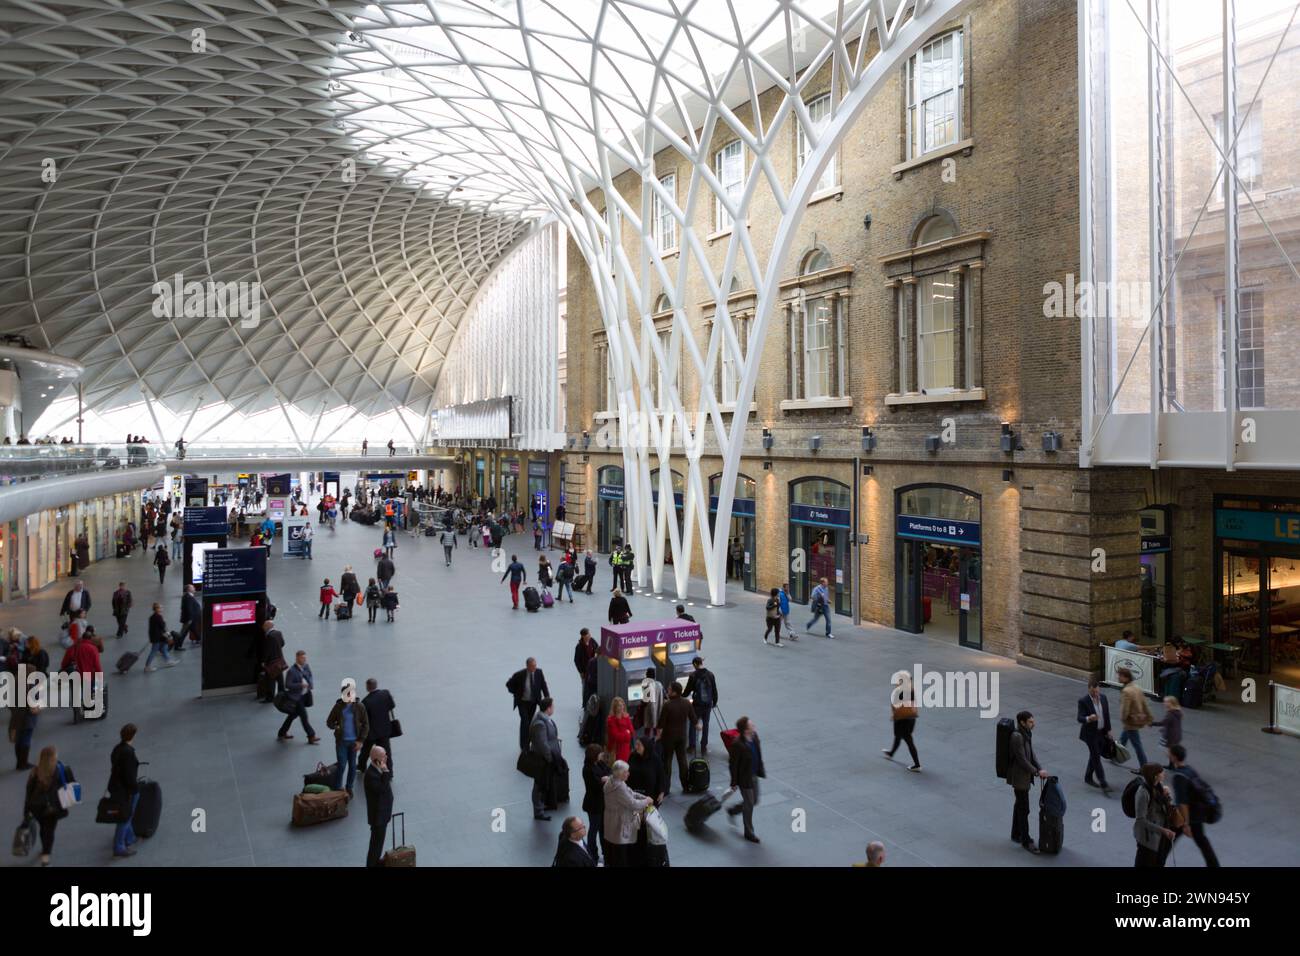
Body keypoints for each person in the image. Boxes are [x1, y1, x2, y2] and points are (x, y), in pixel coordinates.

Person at [1169, 744, 1220, 867]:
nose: (1168, 755)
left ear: (1174, 757)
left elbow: (1183, 802)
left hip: (1187, 815)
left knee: (1168, 839)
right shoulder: (1189, 770)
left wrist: (1186, 824)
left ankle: (1155, 862)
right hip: (1198, 812)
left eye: (1170, 754)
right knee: (1201, 840)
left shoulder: (1178, 776)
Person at [24, 745, 74, 866]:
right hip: (53, 807)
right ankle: (46, 855)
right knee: (50, 830)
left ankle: (44, 848)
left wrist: (26, 811)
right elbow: (71, 783)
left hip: (37, 807)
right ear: (53, 758)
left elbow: (29, 792)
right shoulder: (61, 769)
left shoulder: (35, 772)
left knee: (43, 828)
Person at [1007, 710, 1049, 854]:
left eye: (1033, 721)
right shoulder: (1017, 737)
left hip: (1024, 777)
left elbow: (1031, 754)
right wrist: (1037, 772)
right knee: (1024, 809)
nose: (1033, 724)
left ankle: (1015, 833)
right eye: (1030, 722)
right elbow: (1022, 760)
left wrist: (1040, 767)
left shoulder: (1026, 734)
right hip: (1019, 779)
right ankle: (1026, 840)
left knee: (1019, 805)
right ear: (1022, 723)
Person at [602, 760, 654, 868]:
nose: (629, 773)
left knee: (615, 852)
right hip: (619, 823)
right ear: (620, 773)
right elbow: (632, 804)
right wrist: (647, 801)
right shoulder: (619, 787)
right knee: (621, 855)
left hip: (611, 822)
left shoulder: (613, 781)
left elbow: (630, 793)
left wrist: (644, 797)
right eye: (626, 771)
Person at [326, 679, 369, 794]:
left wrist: (360, 741)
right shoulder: (338, 707)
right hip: (341, 742)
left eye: (352, 693)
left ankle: (349, 787)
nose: (350, 696)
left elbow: (366, 724)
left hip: (354, 742)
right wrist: (336, 726)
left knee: (353, 767)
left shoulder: (360, 707)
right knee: (342, 765)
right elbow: (329, 722)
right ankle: (338, 787)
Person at [726, 716, 765, 844]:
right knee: (749, 804)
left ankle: (733, 810)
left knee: (755, 800)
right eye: (751, 725)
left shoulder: (754, 737)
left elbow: (758, 754)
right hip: (744, 778)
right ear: (745, 730)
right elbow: (733, 764)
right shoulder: (737, 744)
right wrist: (734, 782)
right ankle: (749, 832)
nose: (754, 726)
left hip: (754, 774)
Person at [655, 683, 697, 794]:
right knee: (682, 760)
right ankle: (686, 786)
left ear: (674, 692)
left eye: (669, 689)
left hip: (668, 737)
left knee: (667, 762)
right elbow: (693, 718)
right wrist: (698, 726)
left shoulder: (667, 705)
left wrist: (658, 735)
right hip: (682, 736)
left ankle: (666, 788)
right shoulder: (687, 703)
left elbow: (661, 724)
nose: (667, 691)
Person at [1133, 763, 1176, 868]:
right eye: (1161, 772)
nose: (1164, 773)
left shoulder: (1158, 787)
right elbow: (1140, 820)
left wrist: (1167, 797)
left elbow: (1164, 809)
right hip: (1147, 839)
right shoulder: (1143, 793)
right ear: (1155, 775)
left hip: (1160, 836)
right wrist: (1163, 830)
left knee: (1159, 862)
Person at [108, 724, 140, 857]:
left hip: (116, 788)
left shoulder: (117, 749)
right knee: (126, 817)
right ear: (133, 736)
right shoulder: (129, 752)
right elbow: (129, 775)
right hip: (127, 790)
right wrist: (135, 789)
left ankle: (130, 837)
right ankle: (119, 846)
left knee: (125, 814)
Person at [1077, 676, 1114, 795]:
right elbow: (1079, 718)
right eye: (1093, 692)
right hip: (1090, 734)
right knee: (1096, 758)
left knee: (1095, 754)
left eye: (1097, 691)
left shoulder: (1103, 698)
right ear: (1089, 690)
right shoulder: (1083, 701)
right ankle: (1103, 783)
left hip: (1102, 732)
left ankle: (1088, 777)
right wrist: (1089, 718)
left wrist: (1108, 730)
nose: (1096, 694)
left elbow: (1106, 715)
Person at [528, 698, 561, 822]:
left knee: (542, 783)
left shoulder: (543, 719)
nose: (554, 708)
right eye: (553, 706)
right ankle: (538, 811)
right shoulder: (540, 724)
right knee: (539, 784)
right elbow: (542, 744)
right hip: (543, 759)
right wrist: (550, 758)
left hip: (547, 757)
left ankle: (541, 806)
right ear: (548, 708)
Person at [278, 650, 320, 743]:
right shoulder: (291, 671)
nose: (304, 659)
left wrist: (310, 684)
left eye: (305, 658)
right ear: (297, 658)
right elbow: (288, 685)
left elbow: (310, 676)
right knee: (304, 717)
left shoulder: (306, 667)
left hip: (305, 695)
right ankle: (311, 736)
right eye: (302, 658)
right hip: (297, 698)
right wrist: (300, 685)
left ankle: (282, 732)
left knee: (292, 715)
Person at [507, 658, 549, 753]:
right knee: (525, 722)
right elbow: (509, 684)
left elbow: (543, 685)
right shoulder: (520, 674)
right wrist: (516, 692)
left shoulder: (539, 672)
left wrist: (547, 699)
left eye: (535, 665)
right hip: (522, 703)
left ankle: (528, 742)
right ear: (527, 666)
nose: (534, 667)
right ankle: (524, 746)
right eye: (532, 666)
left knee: (530, 722)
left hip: (533, 703)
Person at [883, 672, 921, 771]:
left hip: (903, 720)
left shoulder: (900, 691)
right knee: (898, 737)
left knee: (908, 741)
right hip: (911, 718)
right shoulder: (911, 689)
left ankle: (917, 765)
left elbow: (896, 704)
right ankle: (891, 753)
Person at [363, 744, 394, 867]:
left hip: (382, 814)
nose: (386, 757)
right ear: (376, 759)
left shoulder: (376, 770)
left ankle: (374, 862)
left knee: (378, 844)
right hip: (378, 817)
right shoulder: (371, 775)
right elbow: (382, 789)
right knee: (376, 845)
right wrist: (386, 772)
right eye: (383, 756)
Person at [358, 678, 396, 777]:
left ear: (367, 687)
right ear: (376, 685)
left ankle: (361, 767)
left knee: (365, 751)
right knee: (386, 753)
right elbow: (392, 705)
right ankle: (389, 772)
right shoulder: (386, 694)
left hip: (372, 733)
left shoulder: (365, 702)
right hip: (384, 730)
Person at [1117, 666, 1152, 769]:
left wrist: (1123, 719)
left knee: (1137, 745)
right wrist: (1149, 717)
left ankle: (1144, 767)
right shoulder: (1137, 687)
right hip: (1136, 719)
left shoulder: (1126, 691)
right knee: (1123, 739)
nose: (1118, 678)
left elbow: (1125, 709)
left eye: (1120, 676)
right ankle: (1115, 755)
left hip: (1130, 722)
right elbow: (1144, 703)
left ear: (1126, 677)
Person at [580, 745, 610, 864]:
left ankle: (604, 852)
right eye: (599, 753)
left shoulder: (598, 764)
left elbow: (608, 770)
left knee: (602, 829)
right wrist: (603, 780)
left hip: (600, 803)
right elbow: (596, 786)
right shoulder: (588, 769)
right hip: (594, 804)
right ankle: (593, 854)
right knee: (594, 829)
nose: (601, 755)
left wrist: (603, 778)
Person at [683, 657, 717, 755]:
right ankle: (703, 747)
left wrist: (681, 695)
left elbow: (687, 691)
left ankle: (692, 746)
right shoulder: (710, 674)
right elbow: (714, 690)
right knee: (706, 724)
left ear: (694, 664)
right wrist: (714, 702)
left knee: (694, 723)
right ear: (702, 663)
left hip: (697, 705)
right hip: (707, 704)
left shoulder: (693, 676)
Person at [627, 735, 666, 808]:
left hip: (650, 795)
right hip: (634, 795)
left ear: (646, 746)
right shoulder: (633, 756)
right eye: (636, 744)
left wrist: (661, 791)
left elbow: (661, 775)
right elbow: (627, 771)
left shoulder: (655, 759)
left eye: (639, 745)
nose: (636, 747)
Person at [258, 619, 286, 703]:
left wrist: (263, 661)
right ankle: (282, 695)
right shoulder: (279, 633)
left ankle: (270, 697)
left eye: (264, 626)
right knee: (280, 679)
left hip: (271, 662)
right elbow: (282, 643)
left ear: (268, 626)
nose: (263, 627)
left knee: (270, 680)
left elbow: (267, 650)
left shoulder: (269, 636)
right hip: (280, 660)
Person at [144, 602, 176, 672]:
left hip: (157, 637)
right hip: (158, 638)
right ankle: (147, 667)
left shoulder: (152, 617)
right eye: (161, 607)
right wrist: (169, 636)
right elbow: (163, 627)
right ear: (157, 609)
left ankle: (168, 661)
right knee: (153, 652)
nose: (162, 608)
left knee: (164, 649)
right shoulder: (158, 617)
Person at [1152, 696, 1182, 767]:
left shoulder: (1170, 714)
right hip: (1176, 734)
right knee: (1171, 751)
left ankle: (1177, 764)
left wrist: (1151, 723)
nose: (1164, 703)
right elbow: (1172, 724)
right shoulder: (1177, 712)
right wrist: (1164, 729)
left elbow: (1163, 722)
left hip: (1171, 736)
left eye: (1166, 702)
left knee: (1170, 752)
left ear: (1171, 703)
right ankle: (1172, 765)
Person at [605, 696, 634, 764]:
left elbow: (632, 732)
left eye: (622, 705)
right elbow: (616, 736)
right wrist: (627, 734)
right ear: (615, 707)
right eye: (619, 706)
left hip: (626, 748)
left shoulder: (626, 717)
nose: (621, 708)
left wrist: (625, 734)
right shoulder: (611, 720)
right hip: (616, 749)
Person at [573, 628, 598, 706]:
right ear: (583, 636)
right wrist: (581, 672)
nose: (589, 635)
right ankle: (585, 703)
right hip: (585, 670)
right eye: (587, 635)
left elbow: (597, 649)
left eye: (589, 634)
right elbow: (576, 660)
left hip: (593, 669)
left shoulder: (592, 641)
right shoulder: (579, 647)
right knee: (585, 686)